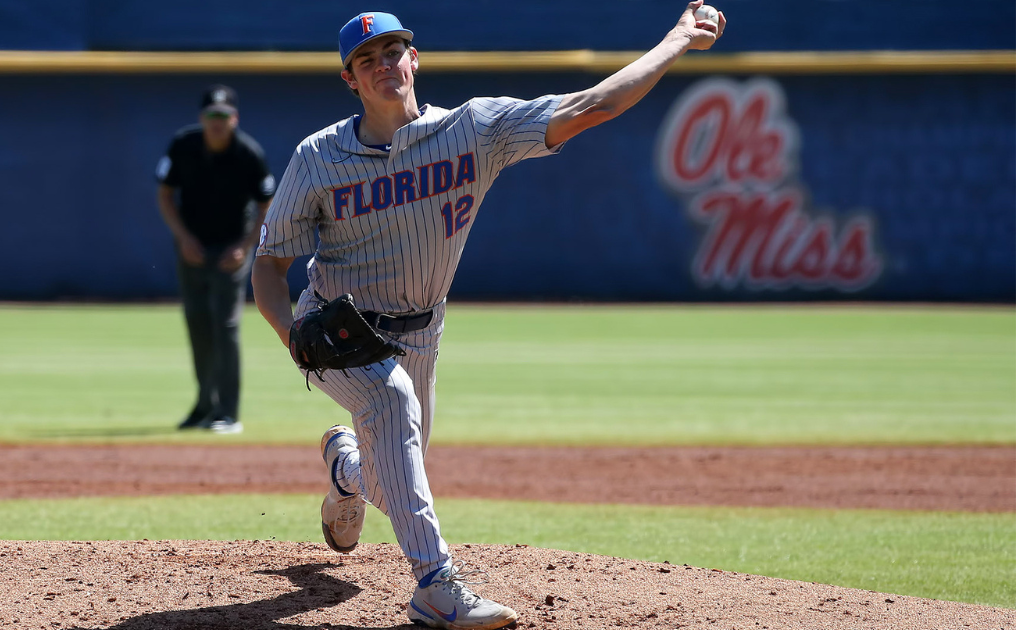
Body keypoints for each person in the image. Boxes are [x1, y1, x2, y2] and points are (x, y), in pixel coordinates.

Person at [252, 5, 725, 628]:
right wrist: (293, 337)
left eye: (391, 51)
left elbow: (593, 105)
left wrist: (675, 40)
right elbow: (269, 263)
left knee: (396, 478)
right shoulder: (318, 157)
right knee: (390, 404)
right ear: (350, 79)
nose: (382, 64)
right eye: (365, 60)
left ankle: (346, 466)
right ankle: (435, 585)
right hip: (337, 331)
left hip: (420, 332)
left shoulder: (472, 131)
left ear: (413, 59)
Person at [156, 84, 275, 434]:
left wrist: (245, 246)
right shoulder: (184, 145)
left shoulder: (248, 153)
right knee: (197, 324)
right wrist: (183, 238)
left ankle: (228, 412)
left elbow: (267, 204)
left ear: (234, 118)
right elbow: (164, 193)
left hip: (231, 250)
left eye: (224, 115)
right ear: (202, 118)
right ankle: (204, 405)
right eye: (212, 115)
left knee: (225, 326)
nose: (217, 122)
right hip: (192, 247)